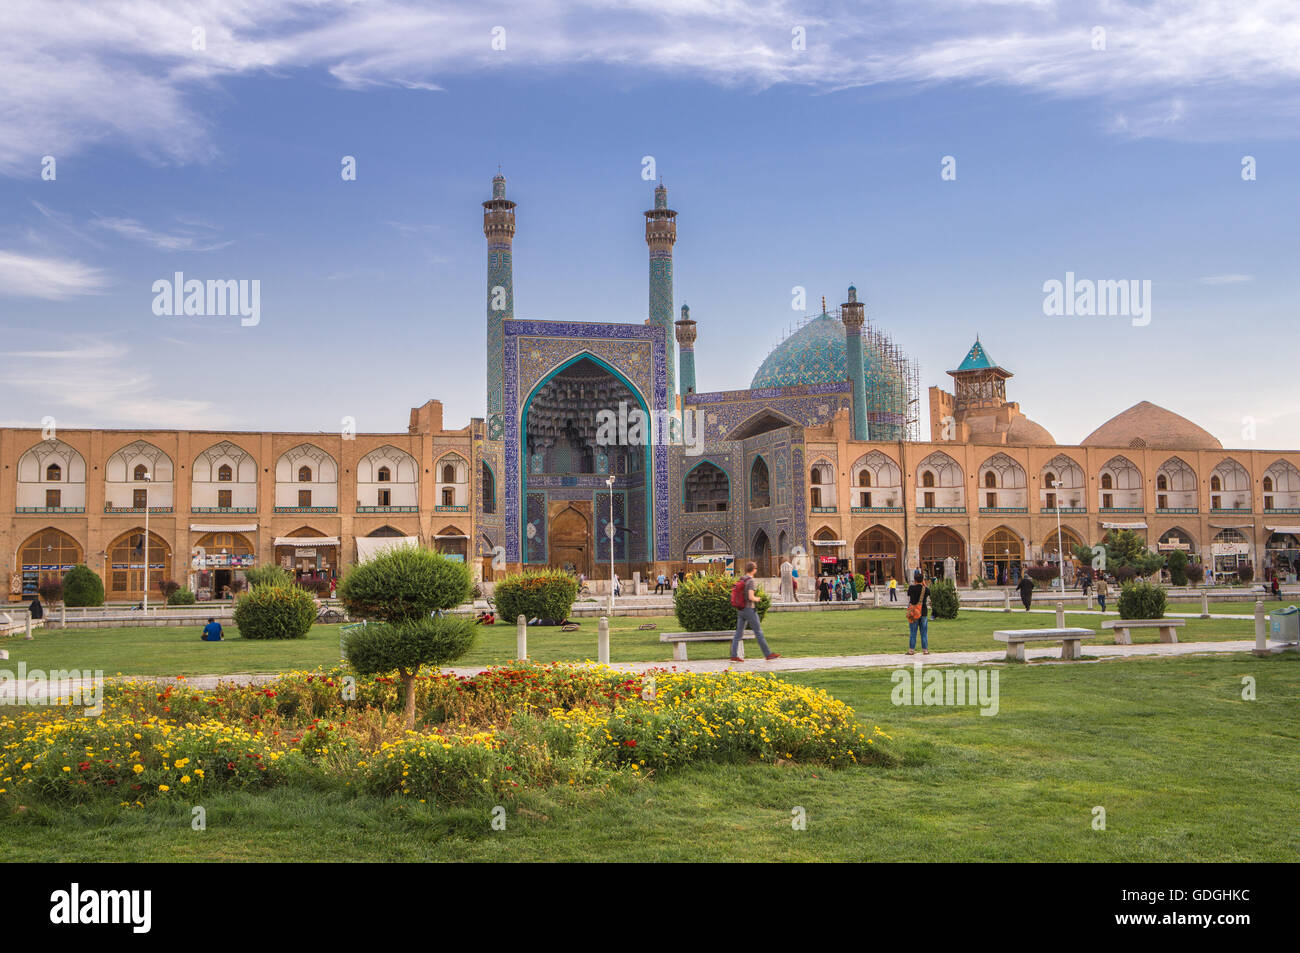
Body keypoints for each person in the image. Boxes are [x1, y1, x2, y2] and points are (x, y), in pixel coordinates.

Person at [730, 561, 779, 662]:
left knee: (738, 634)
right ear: (753, 570)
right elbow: (750, 597)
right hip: (749, 609)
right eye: (755, 568)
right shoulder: (750, 581)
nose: (756, 570)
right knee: (758, 632)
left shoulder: (742, 579)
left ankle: (734, 655)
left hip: (741, 609)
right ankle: (768, 654)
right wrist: (758, 599)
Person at [906, 570, 929, 656]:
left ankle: (911, 650)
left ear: (915, 580)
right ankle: (925, 650)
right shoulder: (925, 589)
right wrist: (924, 584)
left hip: (913, 613)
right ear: (923, 580)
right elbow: (928, 592)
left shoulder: (911, 588)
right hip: (923, 612)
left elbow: (909, 595)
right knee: (924, 632)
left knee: (913, 632)